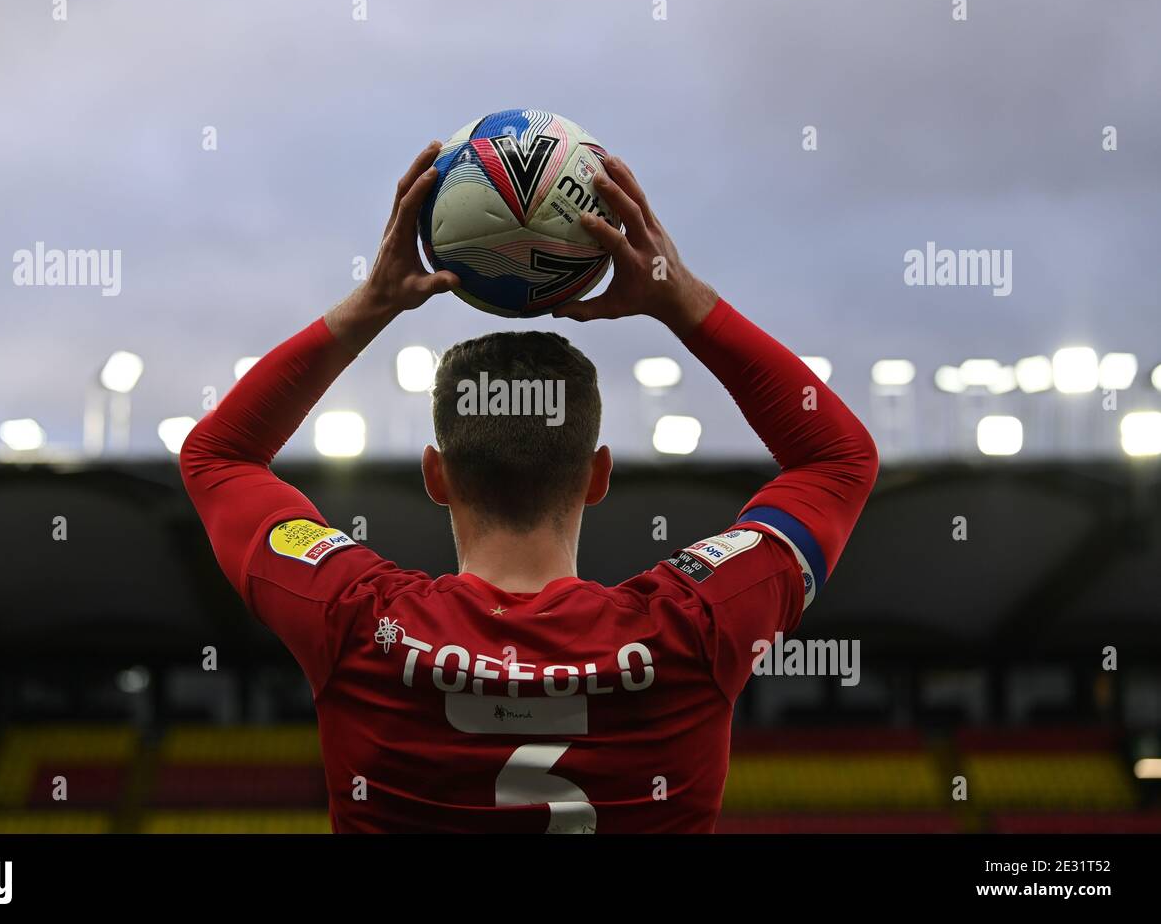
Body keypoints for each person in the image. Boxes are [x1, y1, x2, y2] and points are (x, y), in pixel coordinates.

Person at [180, 141, 878, 832]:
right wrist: (680, 297)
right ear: (598, 475)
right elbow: (838, 461)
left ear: (436, 475)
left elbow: (218, 456)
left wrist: (373, 303)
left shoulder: (359, 623)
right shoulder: (693, 629)